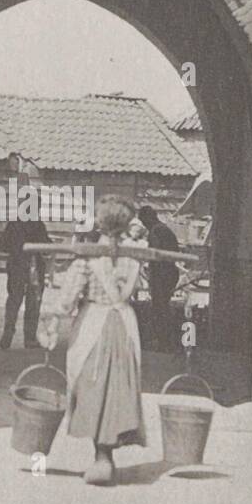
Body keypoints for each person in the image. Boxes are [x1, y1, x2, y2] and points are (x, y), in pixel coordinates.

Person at [59, 195, 146, 486]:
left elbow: (67, 300)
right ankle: (108, 453)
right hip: (124, 325)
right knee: (119, 387)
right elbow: (138, 289)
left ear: (99, 221)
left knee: (92, 386)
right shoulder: (135, 257)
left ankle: (101, 458)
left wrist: (64, 306)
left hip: (95, 325)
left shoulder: (88, 258)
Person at [0, 203, 51, 349]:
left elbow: (1, 245)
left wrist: (15, 248)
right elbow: (46, 247)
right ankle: (30, 338)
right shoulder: (38, 225)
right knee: (33, 302)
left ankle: (7, 334)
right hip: (34, 267)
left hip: (16, 266)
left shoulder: (14, 224)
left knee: (14, 300)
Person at [138, 204, 180, 351]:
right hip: (170, 273)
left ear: (149, 218)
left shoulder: (155, 231)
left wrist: (150, 273)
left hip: (161, 275)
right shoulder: (165, 229)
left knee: (159, 309)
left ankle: (162, 341)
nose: (144, 225)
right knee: (164, 307)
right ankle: (167, 341)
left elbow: (155, 254)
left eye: (144, 221)